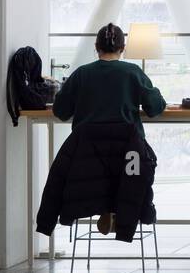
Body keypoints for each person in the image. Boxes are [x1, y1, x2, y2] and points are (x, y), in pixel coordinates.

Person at [51, 23, 167, 234]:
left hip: (87, 165)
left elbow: (60, 111)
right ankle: (117, 206)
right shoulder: (132, 72)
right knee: (134, 162)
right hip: (128, 161)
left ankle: (106, 205)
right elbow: (155, 108)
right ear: (123, 48)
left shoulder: (81, 74)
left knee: (102, 170)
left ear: (96, 47)